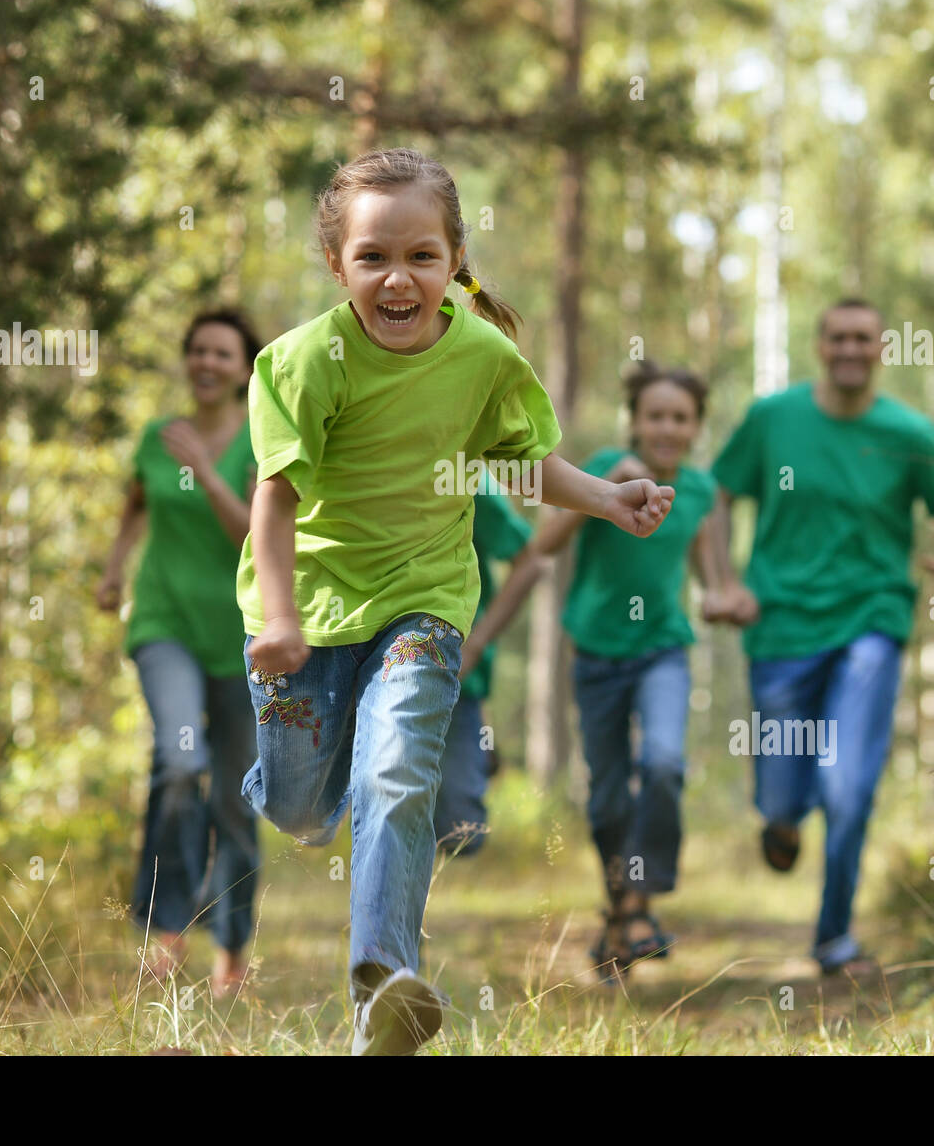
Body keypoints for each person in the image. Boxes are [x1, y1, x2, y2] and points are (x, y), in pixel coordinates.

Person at [236, 147, 675, 1055]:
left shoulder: (482, 356)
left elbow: (515, 459)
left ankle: (382, 988)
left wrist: (606, 497)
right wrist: (280, 619)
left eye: (421, 257)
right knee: (302, 810)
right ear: (337, 265)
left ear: (453, 259)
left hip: (424, 602)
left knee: (396, 778)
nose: (398, 279)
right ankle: (289, 779)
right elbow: (273, 501)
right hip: (306, 610)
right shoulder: (303, 362)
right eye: (373, 258)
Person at [702, 298, 934, 974]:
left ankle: (833, 936)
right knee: (780, 796)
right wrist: (725, 581)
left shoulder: (909, 433)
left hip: (873, 621)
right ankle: (781, 817)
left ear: (881, 347)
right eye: (838, 338)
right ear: (819, 345)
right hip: (782, 625)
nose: (850, 349)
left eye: (863, 338)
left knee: (850, 785)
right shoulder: (774, 419)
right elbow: (715, 493)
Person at [467, 362, 719, 978]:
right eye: (655, 415)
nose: (666, 427)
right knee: (605, 794)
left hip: (664, 649)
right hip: (598, 654)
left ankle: (638, 903)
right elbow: (544, 544)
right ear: (634, 422)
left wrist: (724, 597)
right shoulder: (607, 464)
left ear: (694, 429)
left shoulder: (702, 491)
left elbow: (715, 576)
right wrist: (606, 489)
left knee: (661, 763)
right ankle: (621, 916)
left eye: (680, 418)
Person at [97, 308, 263, 998]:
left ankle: (231, 944)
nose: (206, 362)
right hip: (163, 623)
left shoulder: (261, 441)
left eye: (221, 353)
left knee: (236, 798)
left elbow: (254, 536)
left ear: (244, 368)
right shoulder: (155, 437)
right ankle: (165, 929)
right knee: (179, 760)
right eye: (197, 350)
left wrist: (207, 471)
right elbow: (137, 504)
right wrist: (114, 567)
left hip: (241, 638)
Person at [433, 481, 547, 857]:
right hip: (371, 669)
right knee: (388, 804)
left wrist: (478, 643)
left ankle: (479, 747)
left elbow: (529, 560)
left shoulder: (466, 480)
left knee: (462, 831)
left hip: (455, 677)